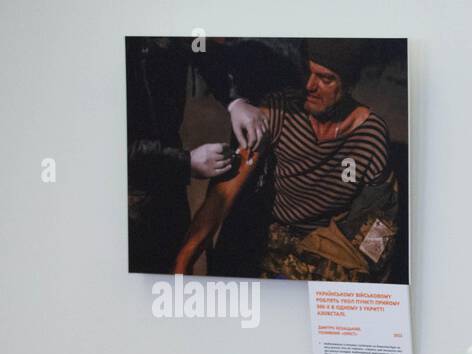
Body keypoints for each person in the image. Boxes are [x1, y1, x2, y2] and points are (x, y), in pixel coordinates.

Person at [172, 39, 401, 282]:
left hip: (330, 242)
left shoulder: (370, 135)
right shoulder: (280, 110)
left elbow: (382, 219)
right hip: (276, 240)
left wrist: (364, 279)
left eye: (325, 79)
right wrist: (183, 260)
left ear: (348, 84)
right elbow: (223, 196)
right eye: (308, 73)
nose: (310, 86)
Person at [125, 36, 269, 274]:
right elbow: (114, 153)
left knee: (172, 277)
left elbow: (203, 50)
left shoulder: (173, 37)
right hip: (125, 201)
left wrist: (234, 100)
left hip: (167, 189)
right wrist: (185, 163)